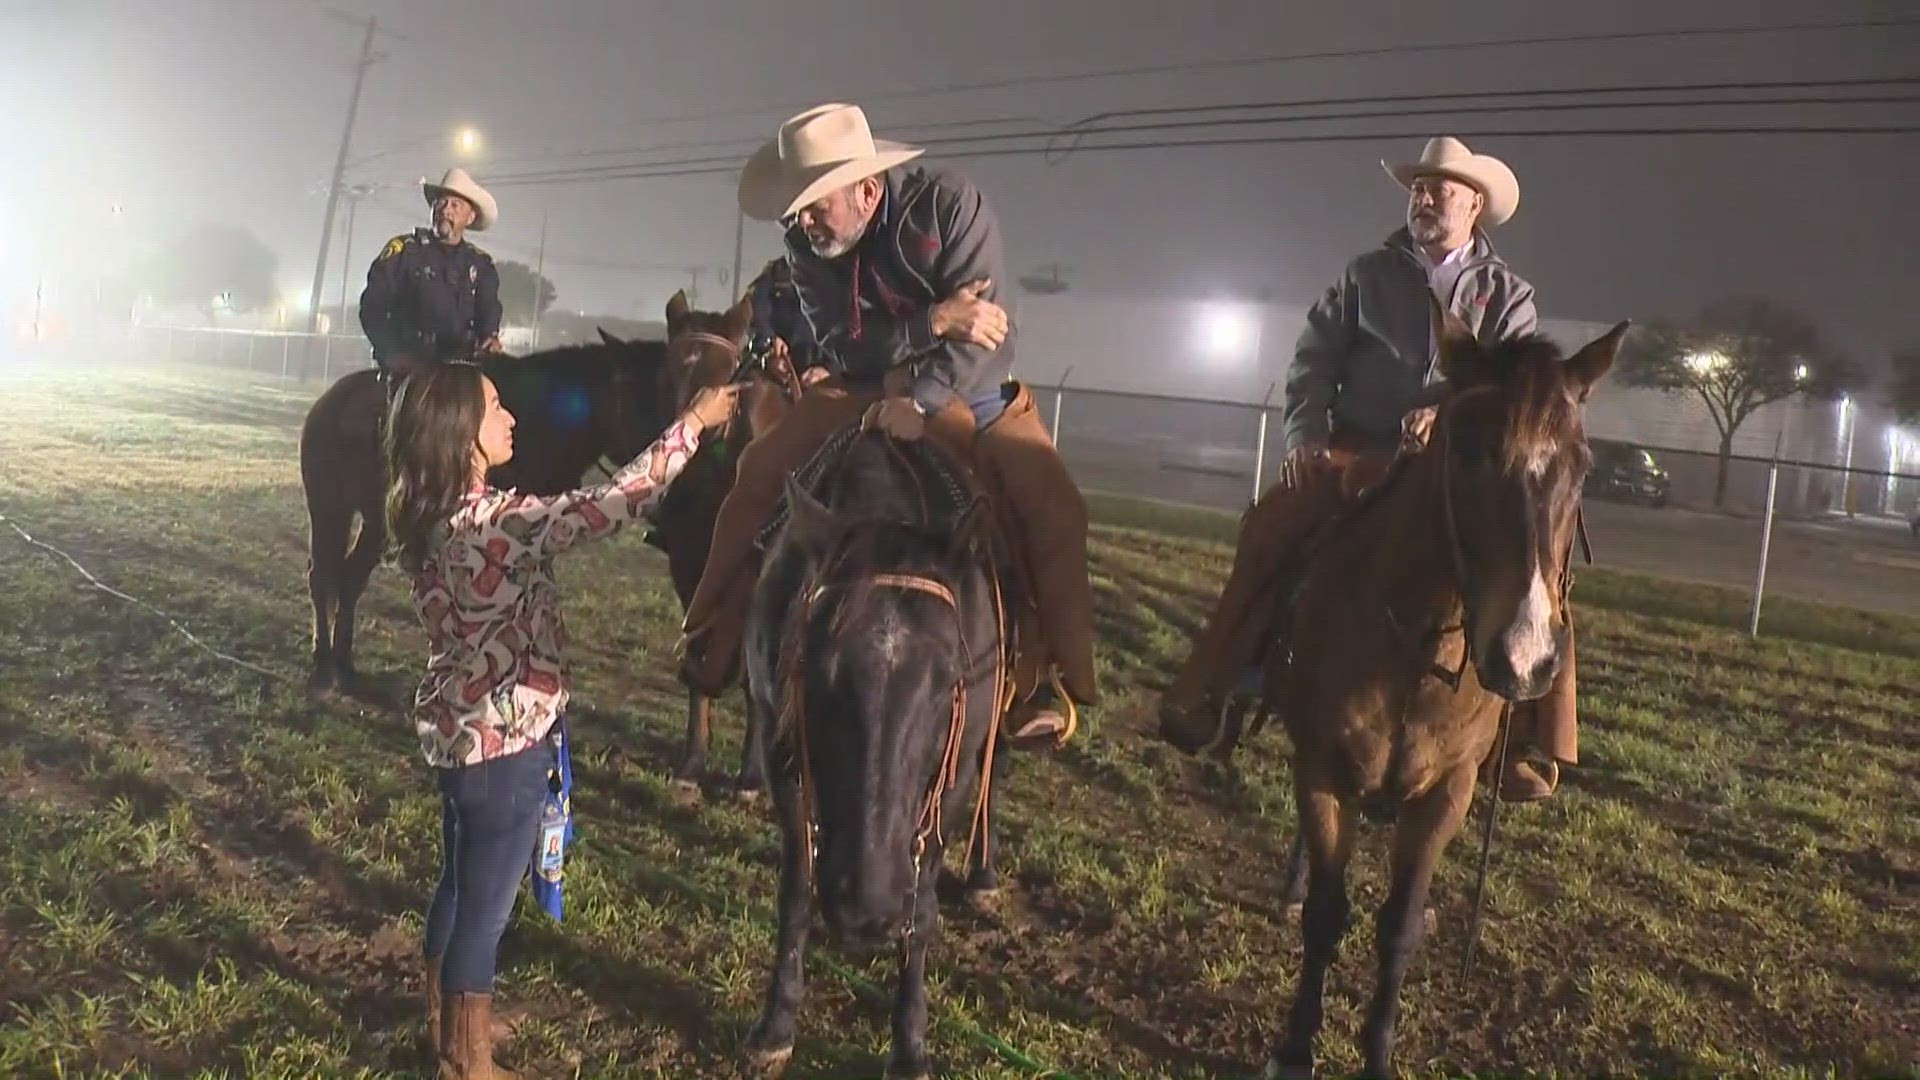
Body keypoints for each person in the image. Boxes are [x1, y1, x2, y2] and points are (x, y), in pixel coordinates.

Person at [1157, 136, 1575, 802]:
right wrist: (1305, 436)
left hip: (1456, 466)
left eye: (1440, 190)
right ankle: (1217, 683)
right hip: (1359, 451)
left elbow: (1516, 390)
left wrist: (1445, 415)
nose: (1424, 199)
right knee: (1273, 526)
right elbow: (1313, 361)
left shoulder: (1509, 296)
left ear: (1474, 205)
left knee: (1541, 564)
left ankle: (1527, 738)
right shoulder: (1366, 276)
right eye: (1419, 188)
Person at [677, 102, 1099, 746]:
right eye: (797, 209)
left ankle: (1047, 675)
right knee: (759, 468)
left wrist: (922, 400)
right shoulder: (804, 246)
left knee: (1052, 506)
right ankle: (716, 626)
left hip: (970, 388)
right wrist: (932, 322)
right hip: (863, 386)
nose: (802, 221)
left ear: (868, 190)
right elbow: (842, 346)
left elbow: (984, 333)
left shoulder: (950, 208)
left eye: (815, 205)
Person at [385, 361, 739, 1077]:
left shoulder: (430, 519)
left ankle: (443, 1024)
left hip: (457, 734)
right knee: (485, 912)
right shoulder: (500, 524)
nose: (510, 416)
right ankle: (470, 1061)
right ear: (460, 432)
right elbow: (614, 501)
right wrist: (693, 424)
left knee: (458, 884)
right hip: (505, 742)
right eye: (493, 407)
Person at [361, 167, 505, 384]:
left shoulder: (480, 264)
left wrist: (490, 338)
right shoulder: (403, 252)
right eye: (441, 203)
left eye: (455, 205)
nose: (446, 210)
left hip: (461, 370)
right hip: (409, 368)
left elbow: (489, 309)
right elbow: (373, 307)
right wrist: (391, 352)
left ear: (470, 217)